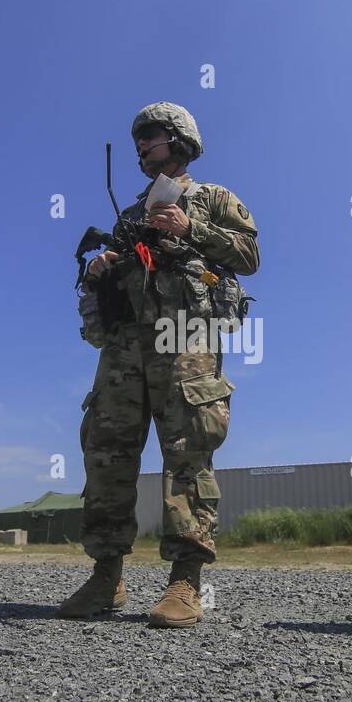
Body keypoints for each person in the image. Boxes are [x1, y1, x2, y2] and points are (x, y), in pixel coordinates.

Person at [60, 102, 258, 628]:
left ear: (180, 139)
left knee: (187, 455)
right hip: (124, 349)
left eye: (151, 136)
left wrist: (193, 228)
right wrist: (103, 268)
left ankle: (185, 581)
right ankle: (107, 575)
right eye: (138, 139)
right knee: (106, 453)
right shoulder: (130, 214)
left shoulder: (213, 197)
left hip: (186, 340)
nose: (141, 146)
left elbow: (250, 255)